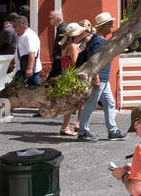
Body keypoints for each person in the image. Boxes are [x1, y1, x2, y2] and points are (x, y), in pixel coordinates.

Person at [76, 12, 126, 141]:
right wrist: (96, 78)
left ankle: (112, 131)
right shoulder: (98, 41)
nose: (112, 26)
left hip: (103, 79)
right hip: (99, 79)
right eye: (110, 24)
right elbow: (94, 61)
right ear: (103, 26)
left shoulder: (99, 39)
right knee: (90, 104)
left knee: (109, 103)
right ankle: (83, 132)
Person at [56, 23, 89, 136]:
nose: (83, 33)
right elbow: (76, 63)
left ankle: (71, 125)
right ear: (77, 34)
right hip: (73, 78)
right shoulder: (73, 46)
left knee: (74, 103)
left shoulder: (68, 45)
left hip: (68, 77)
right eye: (81, 32)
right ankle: (66, 127)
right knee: (73, 104)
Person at [12, 14, 42, 86]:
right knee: (33, 88)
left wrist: (29, 69)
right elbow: (21, 51)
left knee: (15, 88)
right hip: (23, 68)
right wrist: (13, 61)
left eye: (15, 26)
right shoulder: (23, 35)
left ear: (21, 26)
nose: (14, 29)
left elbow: (32, 53)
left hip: (27, 69)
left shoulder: (28, 36)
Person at [46, 10, 67, 81]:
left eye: (50, 18)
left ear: (57, 18)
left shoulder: (62, 29)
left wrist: (59, 56)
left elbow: (65, 46)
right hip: (58, 61)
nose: (49, 20)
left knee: (50, 82)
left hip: (60, 62)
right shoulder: (61, 28)